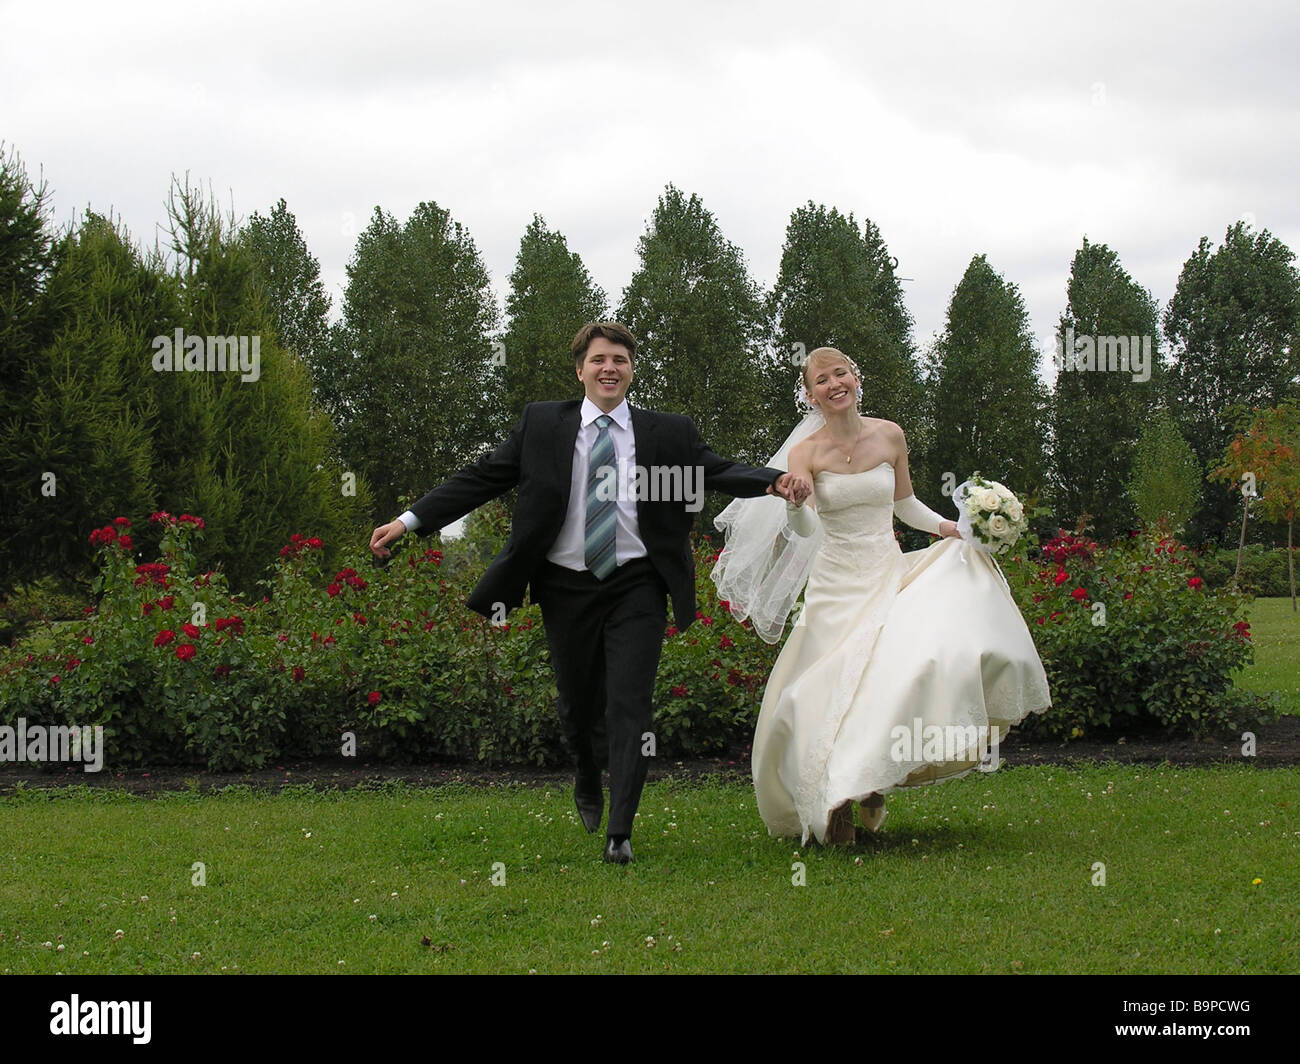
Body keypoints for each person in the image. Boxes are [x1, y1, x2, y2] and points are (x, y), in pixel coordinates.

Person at [369, 322, 810, 863]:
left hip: (637, 584)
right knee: (577, 705)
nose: (610, 368)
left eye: (620, 360)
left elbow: (716, 469)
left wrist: (773, 480)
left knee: (630, 703)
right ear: (580, 370)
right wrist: (409, 520)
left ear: (630, 370)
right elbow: (481, 477)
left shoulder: (667, 432)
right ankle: (584, 770)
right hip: (565, 585)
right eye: (599, 359)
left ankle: (620, 832)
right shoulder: (541, 425)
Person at [712, 347, 1051, 845]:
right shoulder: (806, 452)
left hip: (884, 573)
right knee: (820, 692)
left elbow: (906, 505)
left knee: (888, 678)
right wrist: (794, 504)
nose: (834, 384)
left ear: (856, 378)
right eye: (822, 379)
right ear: (810, 395)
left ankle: (861, 780)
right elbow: (805, 527)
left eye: (841, 373)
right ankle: (838, 796)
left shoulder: (890, 434)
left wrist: (951, 529)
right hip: (833, 585)